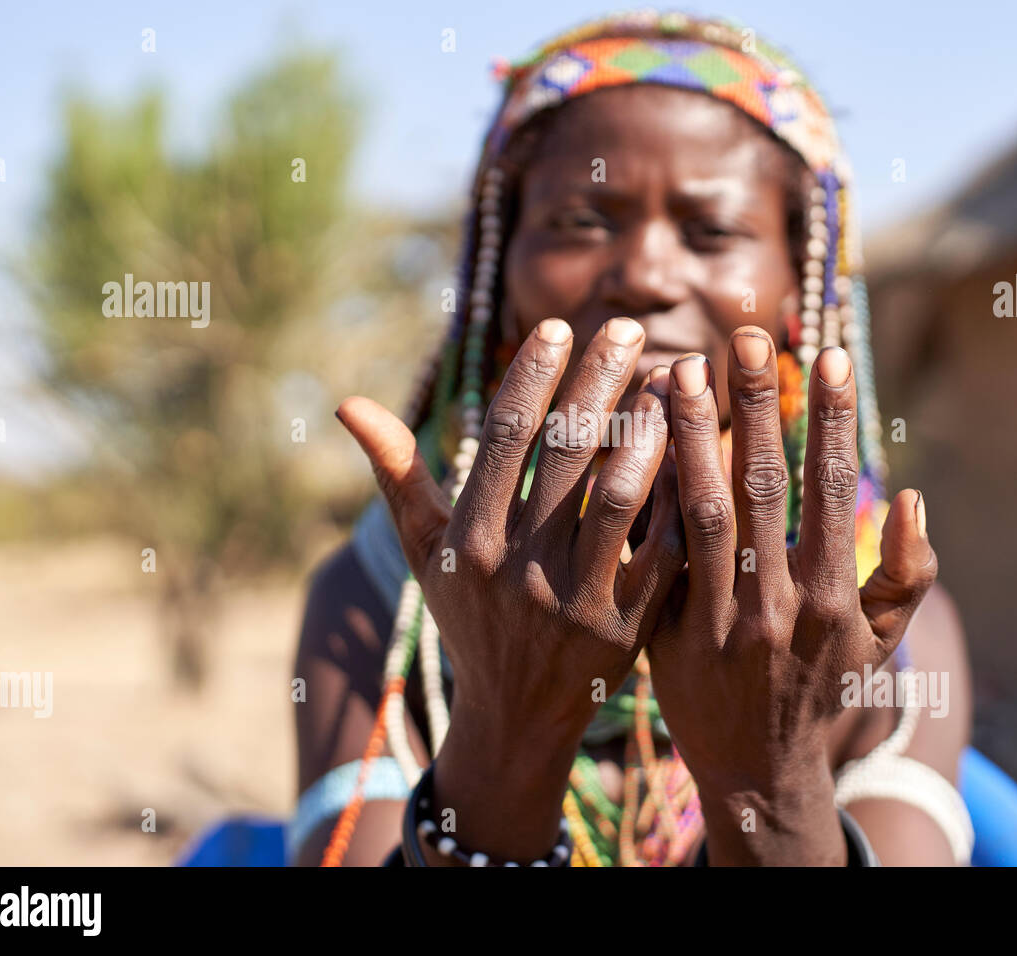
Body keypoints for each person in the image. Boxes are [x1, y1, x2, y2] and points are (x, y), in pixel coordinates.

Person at [291, 10, 973, 867]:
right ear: (501, 274)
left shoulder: (875, 613)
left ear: (800, 287)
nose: (646, 275)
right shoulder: (385, 598)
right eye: (581, 221)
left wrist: (766, 772)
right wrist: (509, 720)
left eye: (712, 232)